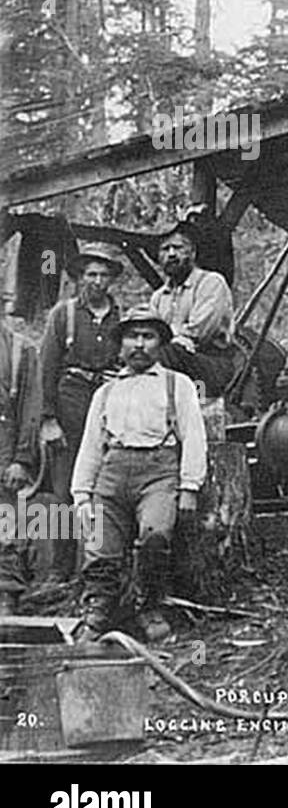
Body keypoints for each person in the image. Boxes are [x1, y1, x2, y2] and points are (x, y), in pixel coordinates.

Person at [70, 308, 207, 643]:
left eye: (148, 337)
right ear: (120, 345)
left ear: (159, 344)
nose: (139, 345)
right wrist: (81, 494)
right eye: (133, 337)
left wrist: (190, 486)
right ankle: (98, 612)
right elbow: (91, 445)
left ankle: (150, 606)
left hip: (159, 472)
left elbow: (194, 436)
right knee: (100, 545)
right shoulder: (105, 392)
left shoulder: (179, 385)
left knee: (156, 534)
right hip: (113, 473)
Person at [37, 243, 126, 581]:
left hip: (109, 401)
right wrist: (48, 419)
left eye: (104, 275)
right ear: (79, 277)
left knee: (106, 485)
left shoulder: (122, 317)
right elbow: (47, 367)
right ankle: (60, 570)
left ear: (111, 280)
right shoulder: (64, 314)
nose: (97, 281)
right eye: (91, 274)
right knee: (64, 488)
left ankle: (100, 567)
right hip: (70, 399)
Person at [149, 221, 236, 399]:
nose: (171, 254)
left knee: (168, 353)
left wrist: (168, 338)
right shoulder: (158, 297)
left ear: (193, 253)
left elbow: (199, 331)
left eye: (178, 248)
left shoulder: (211, 282)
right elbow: (151, 332)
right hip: (173, 359)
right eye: (165, 249)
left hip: (212, 364)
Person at [0, 316, 42, 617]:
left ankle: (6, 594)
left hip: (5, 443)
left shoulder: (20, 349)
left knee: (5, 523)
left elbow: (31, 406)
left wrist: (21, 458)